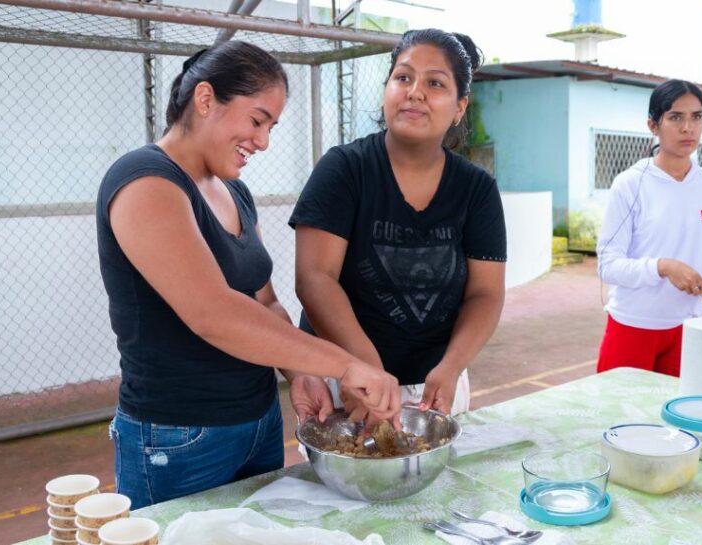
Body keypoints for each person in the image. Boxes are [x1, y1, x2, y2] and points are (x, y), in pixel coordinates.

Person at [96, 41, 401, 509]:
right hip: (179, 435)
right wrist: (343, 364)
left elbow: (266, 304)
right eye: (257, 121)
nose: (262, 142)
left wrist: (298, 370)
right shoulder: (146, 181)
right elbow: (212, 312)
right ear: (204, 100)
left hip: (258, 422)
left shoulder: (234, 192)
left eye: (270, 127)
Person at [289, 29, 506, 420]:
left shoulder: (476, 189)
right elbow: (315, 278)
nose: (415, 91)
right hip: (345, 375)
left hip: (437, 384)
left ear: (460, 107)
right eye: (403, 77)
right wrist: (363, 367)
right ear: (387, 89)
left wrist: (453, 364)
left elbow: (485, 294)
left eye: (435, 83)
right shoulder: (344, 169)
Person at [595, 79, 702, 377]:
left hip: (690, 329)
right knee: (620, 418)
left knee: (679, 420)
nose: (688, 128)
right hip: (633, 325)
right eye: (675, 117)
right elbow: (607, 265)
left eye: (696, 117)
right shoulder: (630, 184)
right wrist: (662, 267)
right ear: (653, 125)